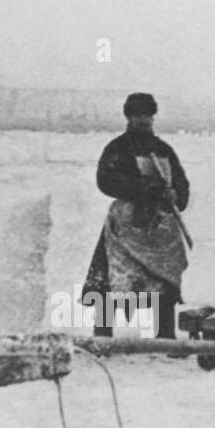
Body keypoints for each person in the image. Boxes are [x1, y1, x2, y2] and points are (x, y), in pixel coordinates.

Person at [81, 93, 190, 338]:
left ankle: (165, 337)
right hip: (126, 226)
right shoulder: (117, 149)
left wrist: (176, 195)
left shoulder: (163, 150)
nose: (144, 121)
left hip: (160, 230)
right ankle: (103, 337)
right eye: (138, 116)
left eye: (148, 116)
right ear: (129, 117)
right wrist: (142, 189)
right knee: (110, 280)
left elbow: (182, 184)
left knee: (164, 281)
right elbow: (106, 180)